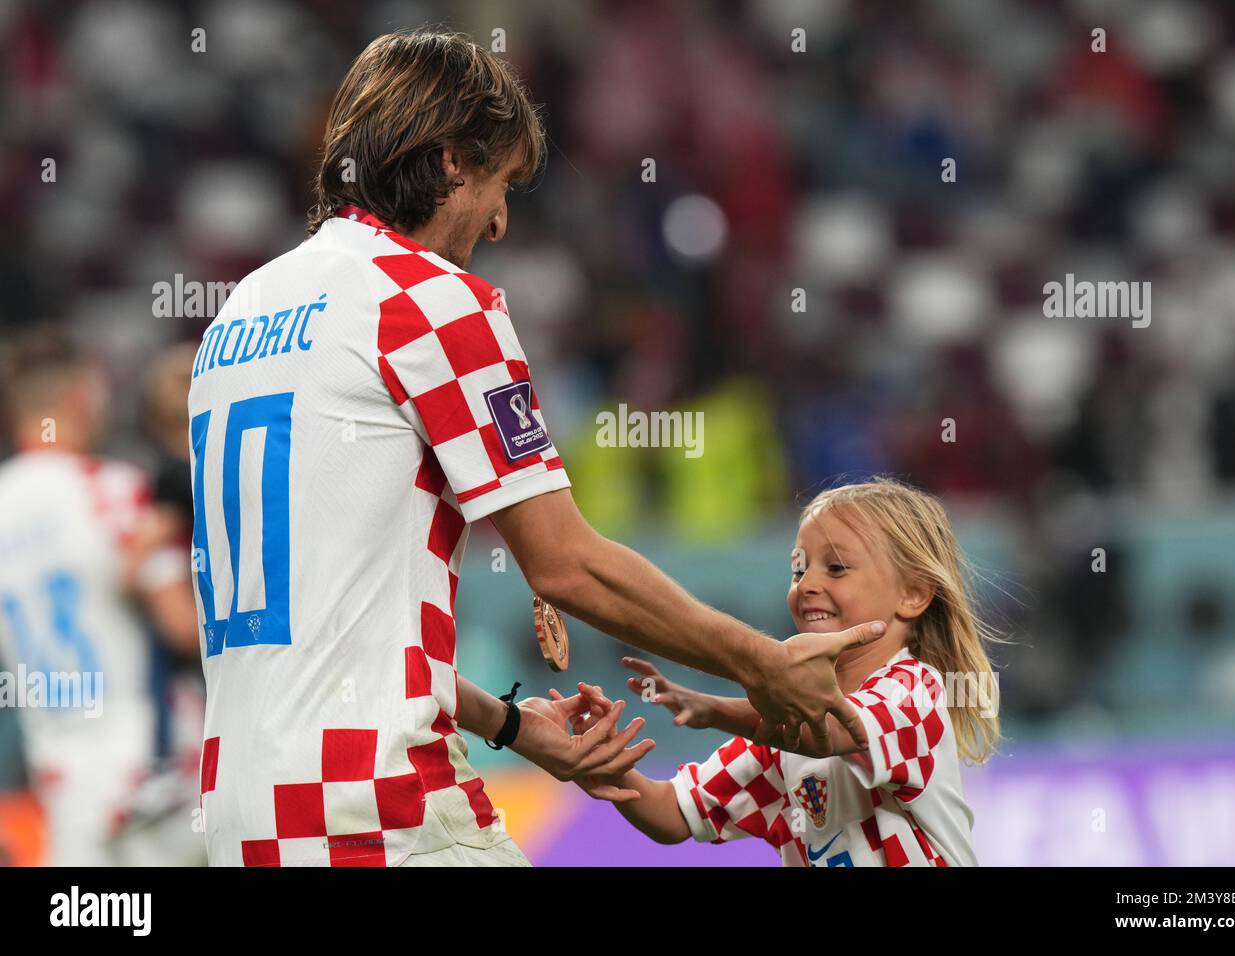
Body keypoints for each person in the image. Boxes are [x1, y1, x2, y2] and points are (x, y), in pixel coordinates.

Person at [187, 27, 875, 867]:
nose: (502, 217)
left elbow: (337, 632)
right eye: (501, 181)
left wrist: (515, 726)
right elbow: (565, 565)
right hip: (381, 810)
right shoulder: (428, 300)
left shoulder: (236, 320)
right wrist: (762, 665)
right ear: (448, 163)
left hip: (242, 817)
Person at [556, 479, 1002, 867]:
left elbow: (830, 731)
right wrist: (592, 754)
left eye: (837, 568)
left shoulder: (916, 692)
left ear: (913, 594)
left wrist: (715, 709)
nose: (807, 584)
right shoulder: (779, 743)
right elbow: (673, 813)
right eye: (798, 568)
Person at [0, 327, 159, 865]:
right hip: (149, 769)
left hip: (60, 778)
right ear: (77, 395)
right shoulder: (109, 489)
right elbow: (184, 622)